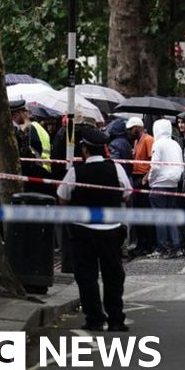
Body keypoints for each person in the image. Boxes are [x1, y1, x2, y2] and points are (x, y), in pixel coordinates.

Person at [57, 129, 132, 332]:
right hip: (111, 230)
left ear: (85, 149)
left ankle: (94, 319)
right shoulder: (116, 169)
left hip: (83, 231)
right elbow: (126, 194)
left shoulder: (76, 171)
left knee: (87, 276)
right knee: (113, 275)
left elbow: (62, 196)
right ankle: (116, 319)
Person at [147, 119, 184, 257]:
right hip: (173, 185)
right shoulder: (176, 145)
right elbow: (181, 166)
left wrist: (151, 179)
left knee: (160, 218)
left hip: (159, 185)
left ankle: (161, 248)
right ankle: (176, 246)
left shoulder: (158, 144)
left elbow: (155, 166)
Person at [126, 117, 155, 256]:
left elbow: (152, 161)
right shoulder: (137, 140)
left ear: (137, 127)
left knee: (144, 211)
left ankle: (148, 244)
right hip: (137, 177)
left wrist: (146, 177)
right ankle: (141, 243)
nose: (129, 132)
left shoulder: (148, 140)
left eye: (131, 129)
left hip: (143, 179)